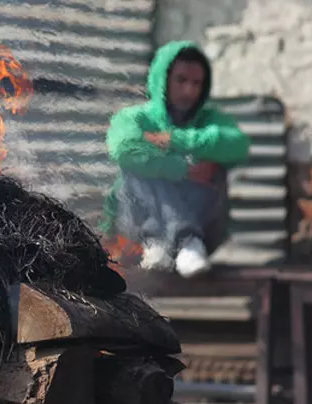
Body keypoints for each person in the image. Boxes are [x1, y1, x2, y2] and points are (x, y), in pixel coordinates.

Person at [100, 40, 251, 278]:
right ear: (163, 80)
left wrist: (175, 140)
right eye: (181, 80)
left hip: (203, 237)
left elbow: (237, 146)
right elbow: (123, 150)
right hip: (138, 236)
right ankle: (168, 241)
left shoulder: (211, 119)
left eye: (197, 83)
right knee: (136, 165)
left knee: (214, 166)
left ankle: (187, 243)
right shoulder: (134, 118)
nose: (189, 91)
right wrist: (182, 169)